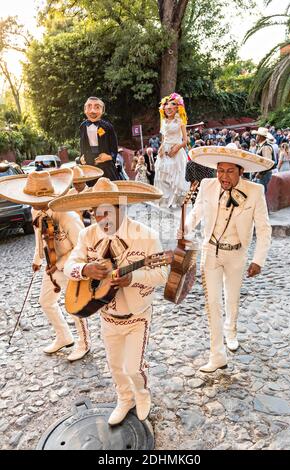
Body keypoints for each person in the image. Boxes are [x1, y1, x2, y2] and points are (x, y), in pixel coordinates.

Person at [49, 178, 168, 426]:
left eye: (106, 212)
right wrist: (84, 270)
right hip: (106, 315)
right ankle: (125, 399)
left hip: (137, 314)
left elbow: (162, 275)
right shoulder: (87, 234)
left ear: (121, 207)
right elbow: (70, 265)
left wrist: (133, 276)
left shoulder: (146, 236)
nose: (100, 219)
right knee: (115, 365)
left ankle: (142, 395)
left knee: (133, 367)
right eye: (95, 212)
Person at [183, 145, 273, 373]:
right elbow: (197, 212)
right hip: (210, 251)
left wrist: (258, 259)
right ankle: (217, 354)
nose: (223, 176)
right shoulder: (206, 185)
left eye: (229, 171)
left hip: (237, 254)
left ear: (241, 171)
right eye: (220, 170)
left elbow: (264, 229)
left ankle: (231, 330)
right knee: (212, 303)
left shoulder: (255, 191)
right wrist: (185, 229)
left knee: (231, 297)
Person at [0, 169, 91, 362]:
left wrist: (59, 264)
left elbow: (83, 248)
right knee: (45, 301)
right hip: (51, 264)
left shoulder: (67, 215)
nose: (32, 204)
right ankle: (64, 336)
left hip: (68, 266)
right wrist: (37, 259)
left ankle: (84, 343)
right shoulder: (35, 210)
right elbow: (39, 237)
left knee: (74, 306)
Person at [154, 92, 189, 208]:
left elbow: (185, 140)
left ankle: (175, 203)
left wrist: (177, 148)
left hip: (177, 152)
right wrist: (160, 148)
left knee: (177, 179)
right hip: (164, 152)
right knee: (162, 176)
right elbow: (164, 138)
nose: (168, 108)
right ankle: (165, 203)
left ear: (177, 107)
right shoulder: (163, 121)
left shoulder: (180, 121)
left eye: (172, 105)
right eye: (166, 106)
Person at [79, 96, 120, 181]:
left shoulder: (108, 127)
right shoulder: (83, 126)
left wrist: (109, 157)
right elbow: (82, 143)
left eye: (97, 107)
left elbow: (114, 147)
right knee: (91, 186)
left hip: (105, 164)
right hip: (89, 163)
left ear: (102, 110)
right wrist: (81, 157)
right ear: (84, 109)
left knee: (109, 184)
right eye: (89, 107)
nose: (92, 111)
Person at [251, 127, 275, 194]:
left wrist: (260, 173)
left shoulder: (265, 147)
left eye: (257, 135)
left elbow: (267, 163)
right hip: (262, 173)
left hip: (264, 174)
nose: (256, 137)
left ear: (260, 137)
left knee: (262, 193)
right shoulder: (261, 146)